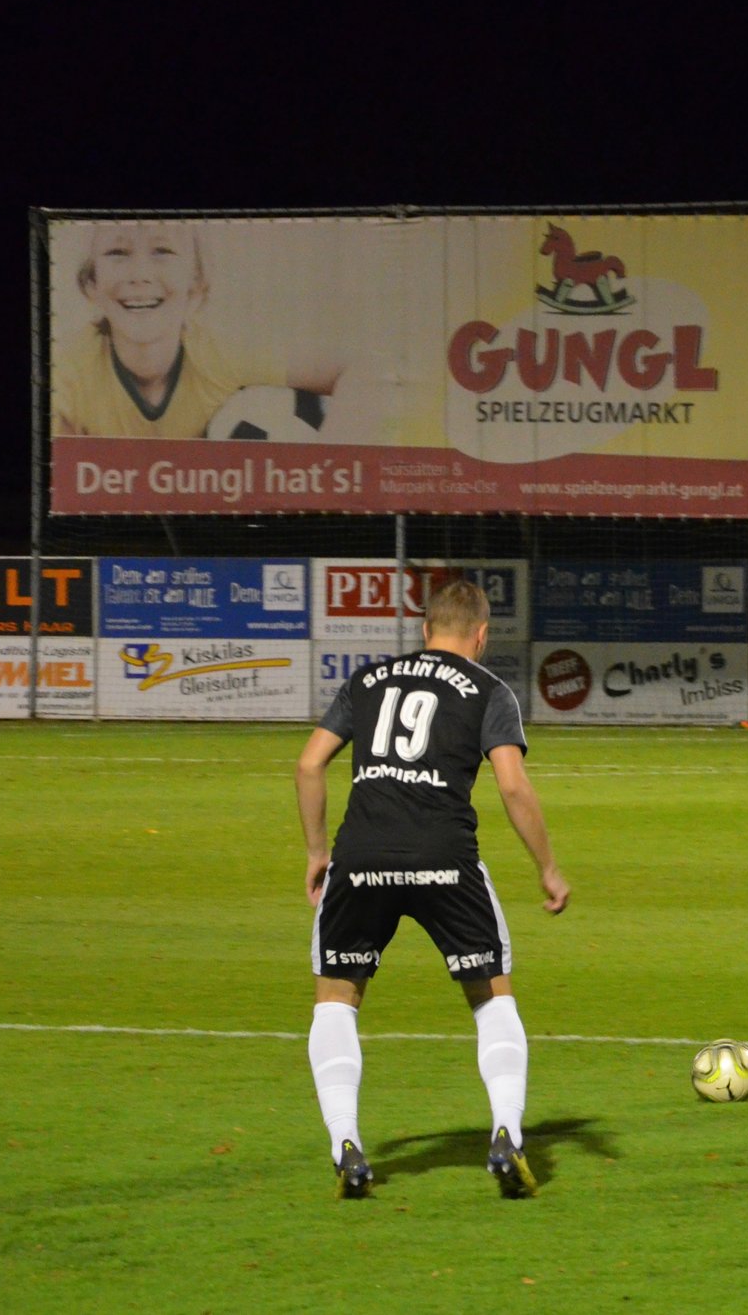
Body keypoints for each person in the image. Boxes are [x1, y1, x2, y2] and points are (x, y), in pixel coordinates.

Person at [298, 580, 571, 1199]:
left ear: (426, 630)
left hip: (361, 856)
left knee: (336, 1000)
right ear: (482, 636)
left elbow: (309, 764)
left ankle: (346, 1144)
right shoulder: (489, 690)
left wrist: (317, 853)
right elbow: (512, 785)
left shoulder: (367, 681)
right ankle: (507, 1133)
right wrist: (548, 868)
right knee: (491, 996)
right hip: (445, 858)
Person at [52, 221, 343, 438]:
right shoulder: (67, 374)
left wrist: (328, 467)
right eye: (117, 252)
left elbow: (358, 368)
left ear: (196, 286)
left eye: (163, 251)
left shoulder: (221, 354)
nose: (139, 274)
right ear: (91, 285)